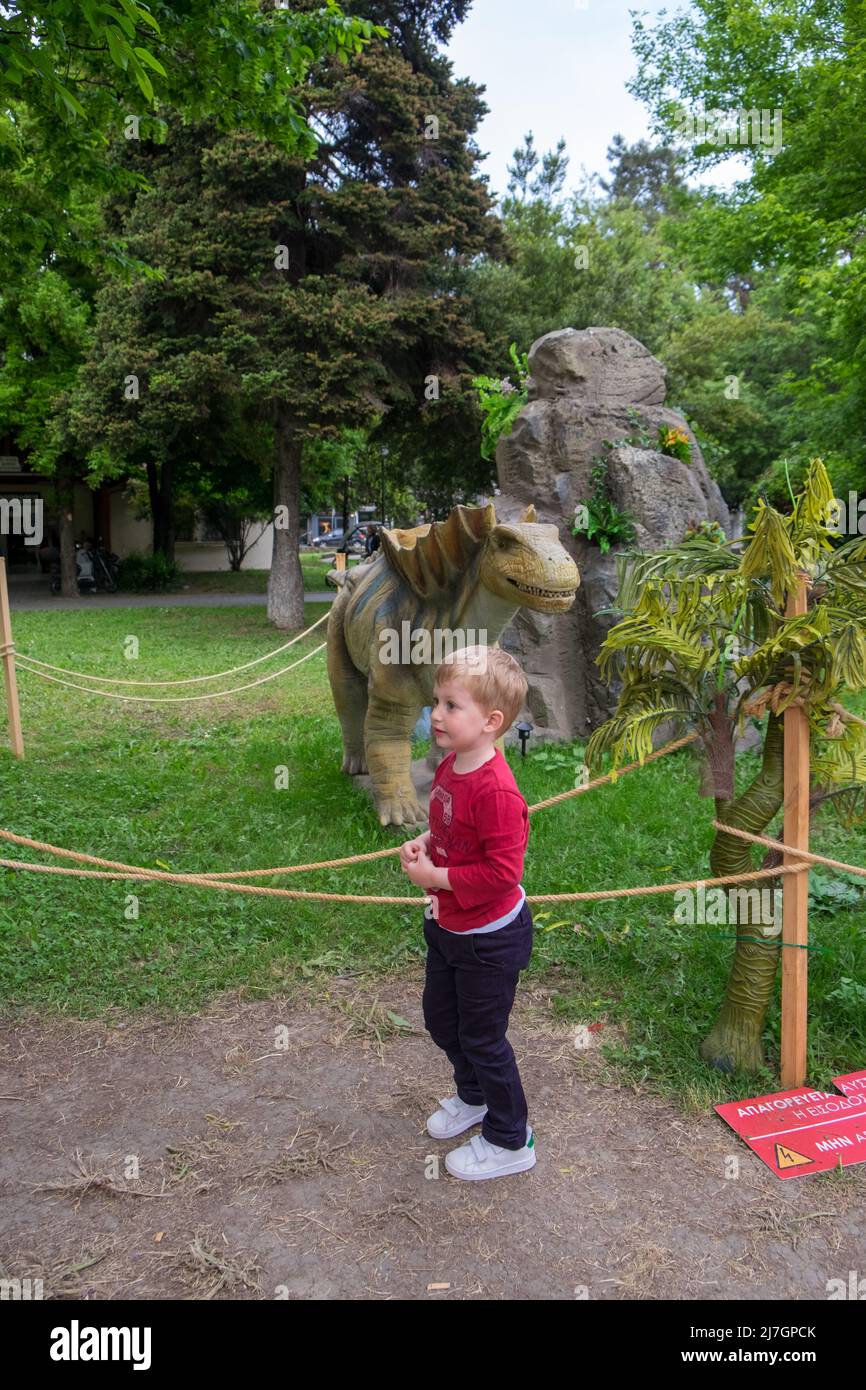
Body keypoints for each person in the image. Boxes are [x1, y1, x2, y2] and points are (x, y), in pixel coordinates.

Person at [400, 644, 535, 1181]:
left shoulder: (497, 790)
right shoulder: (453, 765)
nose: (436, 714)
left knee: (483, 1037)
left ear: (492, 722)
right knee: (441, 1018)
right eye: (437, 701)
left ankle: (510, 1139)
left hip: (489, 938)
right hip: (448, 925)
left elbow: (502, 873)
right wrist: (426, 842)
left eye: (452, 705)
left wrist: (435, 878)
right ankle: (473, 1096)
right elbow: (452, 829)